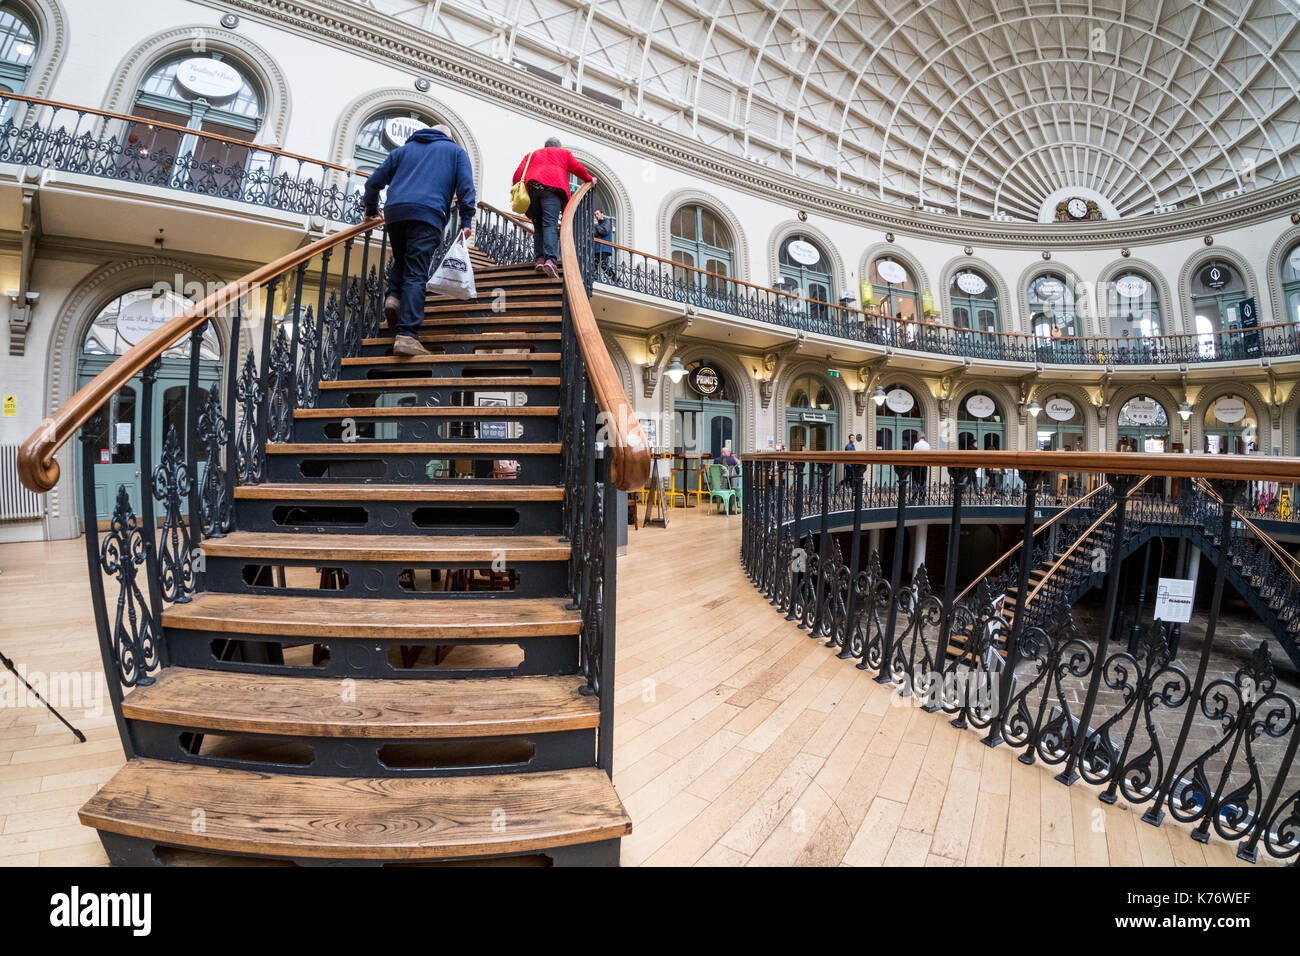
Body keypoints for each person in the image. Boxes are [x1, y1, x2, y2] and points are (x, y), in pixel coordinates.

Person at [364, 124, 475, 357]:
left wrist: (371, 209)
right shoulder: (455, 152)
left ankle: (393, 297)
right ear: (449, 136)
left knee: (403, 258)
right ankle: (407, 336)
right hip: (428, 214)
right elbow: (466, 187)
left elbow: (373, 182)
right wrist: (466, 220)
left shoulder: (401, 151)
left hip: (395, 213)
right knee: (416, 270)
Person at [512, 137, 592, 278]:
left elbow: (518, 174)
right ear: (558, 147)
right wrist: (589, 179)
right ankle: (550, 260)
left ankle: (539, 259)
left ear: (545, 146)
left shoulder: (533, 154)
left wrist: (519, 189)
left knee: (538, 227)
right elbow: (577, 168)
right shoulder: (564, 153)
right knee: (549, 224)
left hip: (533, 190)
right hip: (552, 190)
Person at [594, 209, 614, 278]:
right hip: (597, 248)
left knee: (604, 265)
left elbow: (604, 232)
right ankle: (595, 278)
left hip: (604, 248)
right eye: (595, 215)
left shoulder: (607, 222)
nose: (596, 216)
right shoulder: (598, 225)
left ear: (602, 214)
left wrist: (596, 226)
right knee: (594, 264)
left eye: (597, 213)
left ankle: (615, 279)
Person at [911, 432, 931, 499]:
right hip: (925, 464)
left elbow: (913, 455)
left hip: (917, 465)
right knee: (923, 480)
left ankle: (915, 494)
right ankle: (922, 495)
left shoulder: (916, 445)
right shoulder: (928, 445)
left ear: (919, 437)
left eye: (917, 437)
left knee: (916, 480)